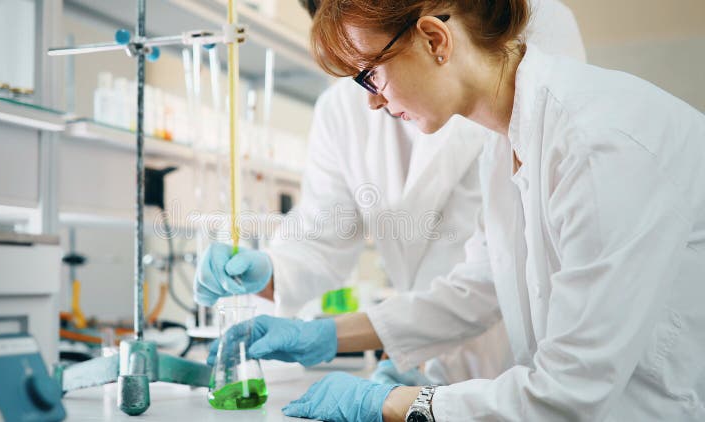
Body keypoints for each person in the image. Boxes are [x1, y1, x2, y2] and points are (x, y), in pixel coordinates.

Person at [210, 0, 705, 420]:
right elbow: (479, 286)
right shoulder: (505, 143)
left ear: (434, 39)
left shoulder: (598, 142)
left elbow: (570, 394)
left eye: (370, 76)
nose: (373, 103)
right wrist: (325, 334)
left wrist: (393, 404)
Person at [194, 0, 586, 386]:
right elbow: (324, 232)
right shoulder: (345, 106)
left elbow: (527, 244)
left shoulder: (527, 49)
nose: (371, 98)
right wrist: (271, 271)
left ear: (434, 39)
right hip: (427, 333)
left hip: (521, 338)